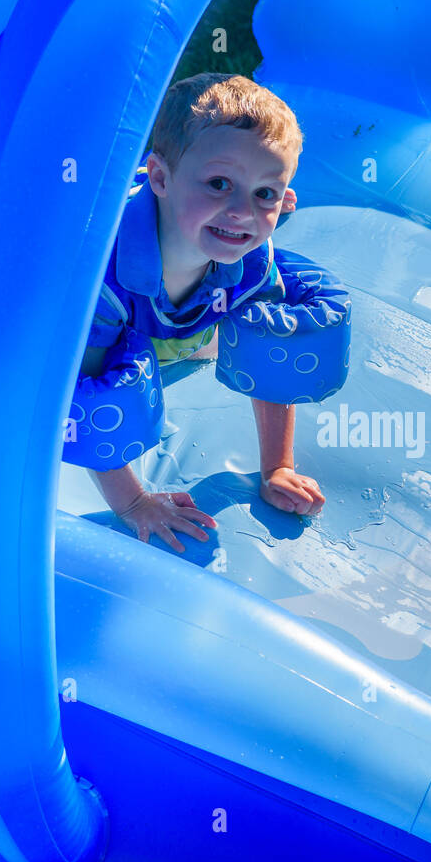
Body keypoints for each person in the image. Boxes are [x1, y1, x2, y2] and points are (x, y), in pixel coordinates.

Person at [66, 73, 351, 553]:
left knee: (264, 328)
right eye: (220, 184)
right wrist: (133, 504)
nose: (242, 210)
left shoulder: (249, 258)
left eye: (266, 193)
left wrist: (277, 467)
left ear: (286, 203)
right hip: (109, 308)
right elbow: (91, 399)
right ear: (159, 178)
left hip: (176, 309)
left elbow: (270, 361)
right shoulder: (103, 277)